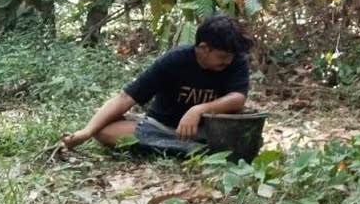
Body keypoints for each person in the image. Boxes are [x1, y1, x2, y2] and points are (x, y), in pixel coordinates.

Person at [61, 14, 253, 155]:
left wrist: (198, 110)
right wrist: (86, 132)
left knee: (241, 138)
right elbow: (127, 97)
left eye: (230, 58)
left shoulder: (236, 61)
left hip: (211, 130)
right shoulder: (175, 60)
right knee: (104, 132)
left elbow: (238, 98)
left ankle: (188, 148)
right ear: (203, 48)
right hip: (161, 127)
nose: (227, 62)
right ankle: (188, 149)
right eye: (222, 57)